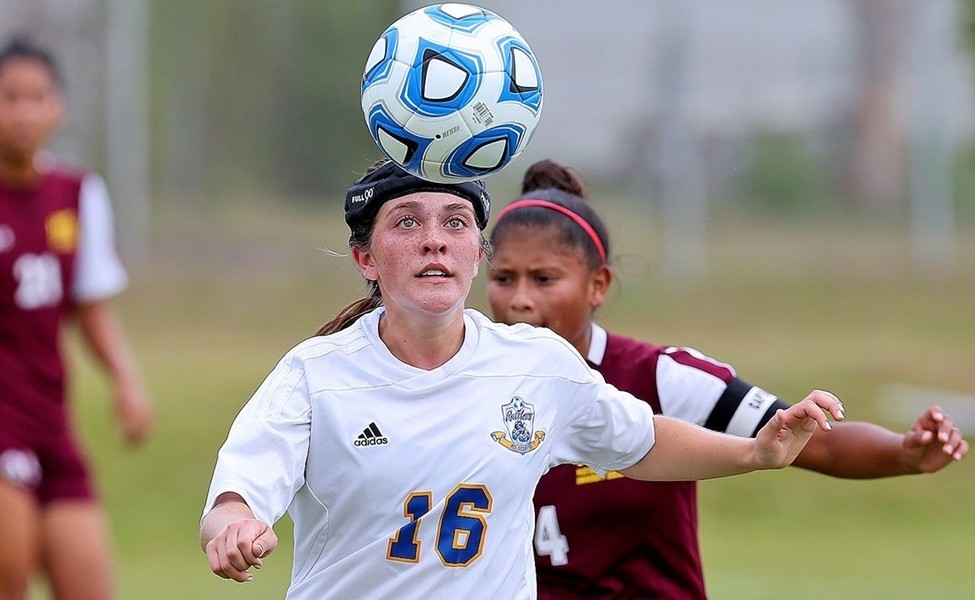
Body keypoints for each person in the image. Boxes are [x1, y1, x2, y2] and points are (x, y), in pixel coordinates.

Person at [199, 158, 846, 599]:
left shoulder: (535, 364)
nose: (434, 241)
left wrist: (755, 453)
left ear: (477, 254)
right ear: (365, 257)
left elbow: (640, 440)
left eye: (455, 223)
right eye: (407, 222)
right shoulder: (315, 375)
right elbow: (237, 493)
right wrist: (233, 527)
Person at [485, 158, 970, 599]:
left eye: (544, 279)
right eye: (503, 278)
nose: (520, 300)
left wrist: (903, 454)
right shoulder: (468, 382)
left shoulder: (659, 377)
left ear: (598, 285)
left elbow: (814, 445)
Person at [0, 37, 154, 600]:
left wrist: (126, 381)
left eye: (37, 97)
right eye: (9, 97)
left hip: (50, 420)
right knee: (10, 572)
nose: (23, 112)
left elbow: (89, 306)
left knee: (88, 579)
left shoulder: (76, 193)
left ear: (58, 107)